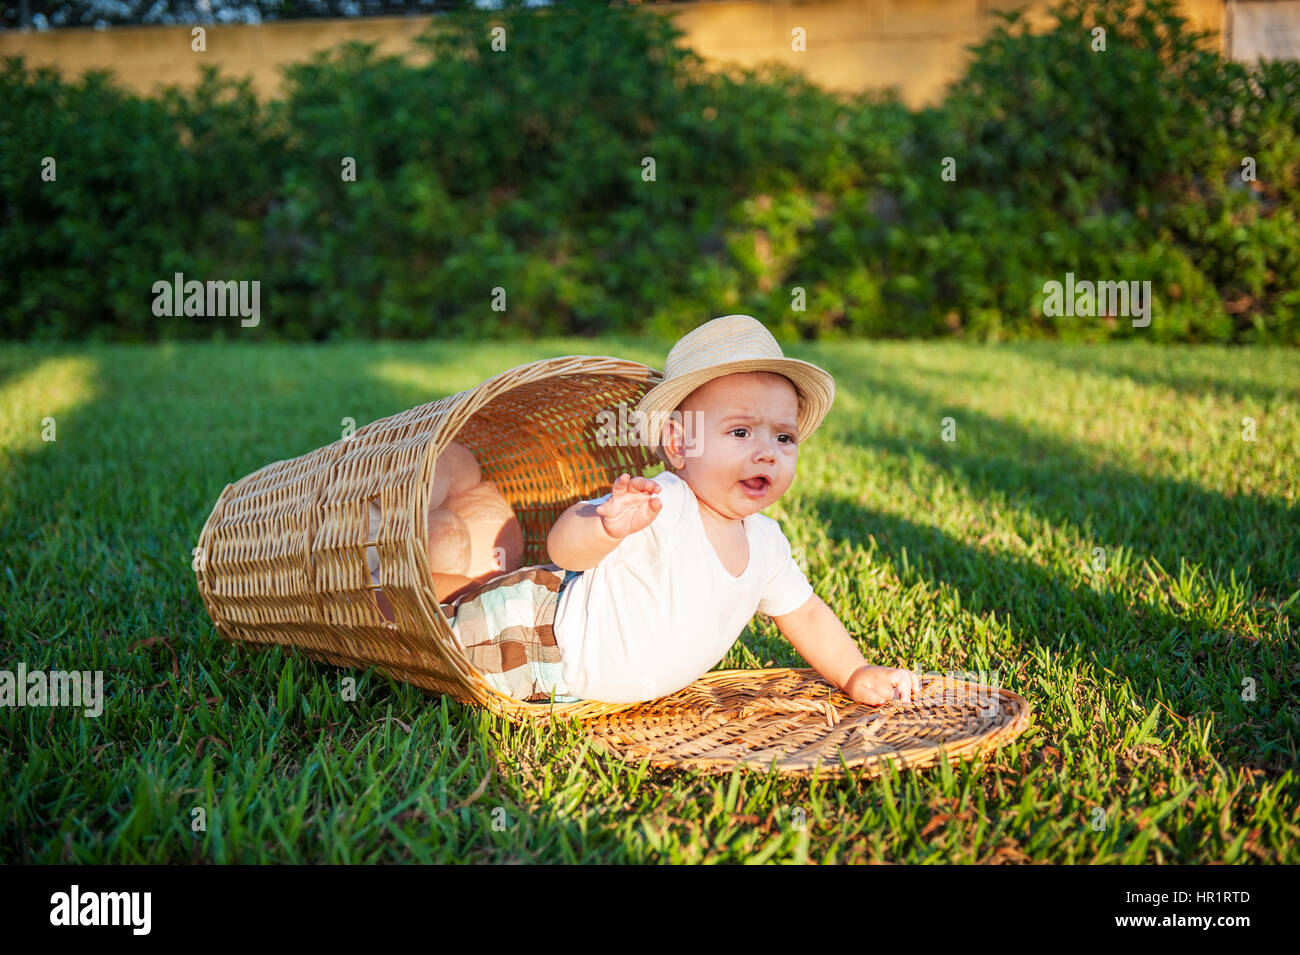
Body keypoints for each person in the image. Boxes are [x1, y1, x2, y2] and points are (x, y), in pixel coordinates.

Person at [443, 314, 920, 707]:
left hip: (565, 680)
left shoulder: (767, 543)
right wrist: (606, 527)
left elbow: (807, 615)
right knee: (432, 626)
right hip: (535, 636)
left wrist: (854, 670)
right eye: (740, 432)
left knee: (449, 601)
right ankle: (393, 580)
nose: (767, 452)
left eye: (784, 437)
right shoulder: (665, 503)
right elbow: (564, 550)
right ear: (679, 443)